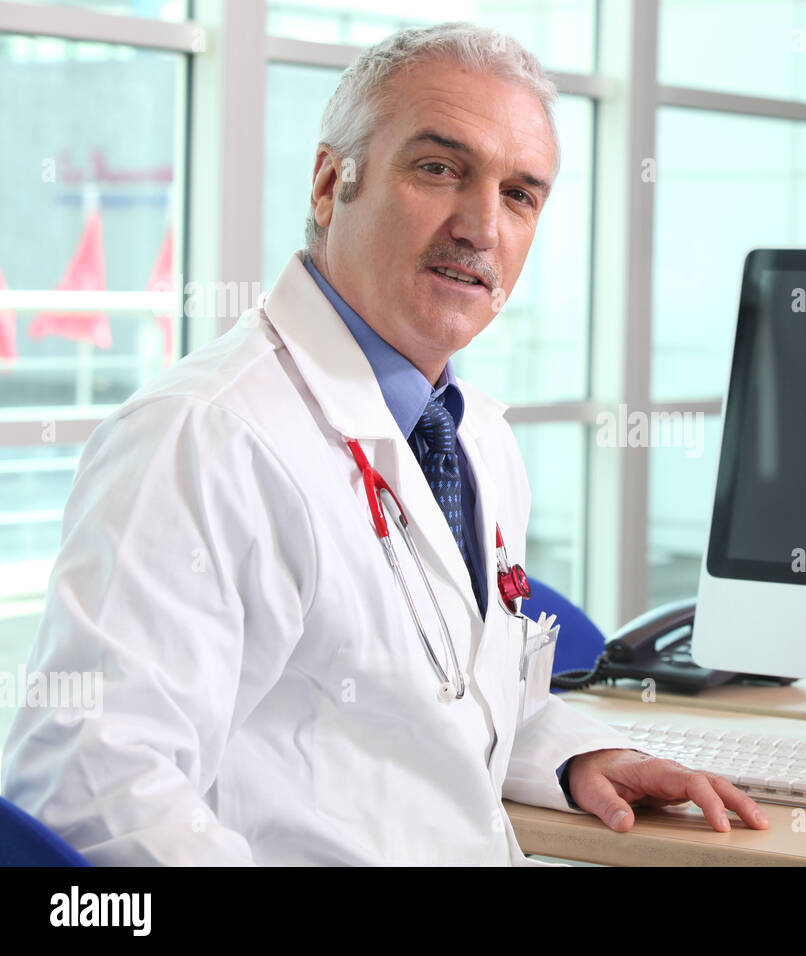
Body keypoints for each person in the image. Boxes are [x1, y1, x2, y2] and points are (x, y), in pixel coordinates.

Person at [0, 23, 766, 865]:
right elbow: (91, 791)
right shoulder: (203, 438)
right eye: (439, 169)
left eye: (520, 195)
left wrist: (581, 755)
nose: (480, 227)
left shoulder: (471, 436)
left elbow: (447, 699)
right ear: (332, 183)